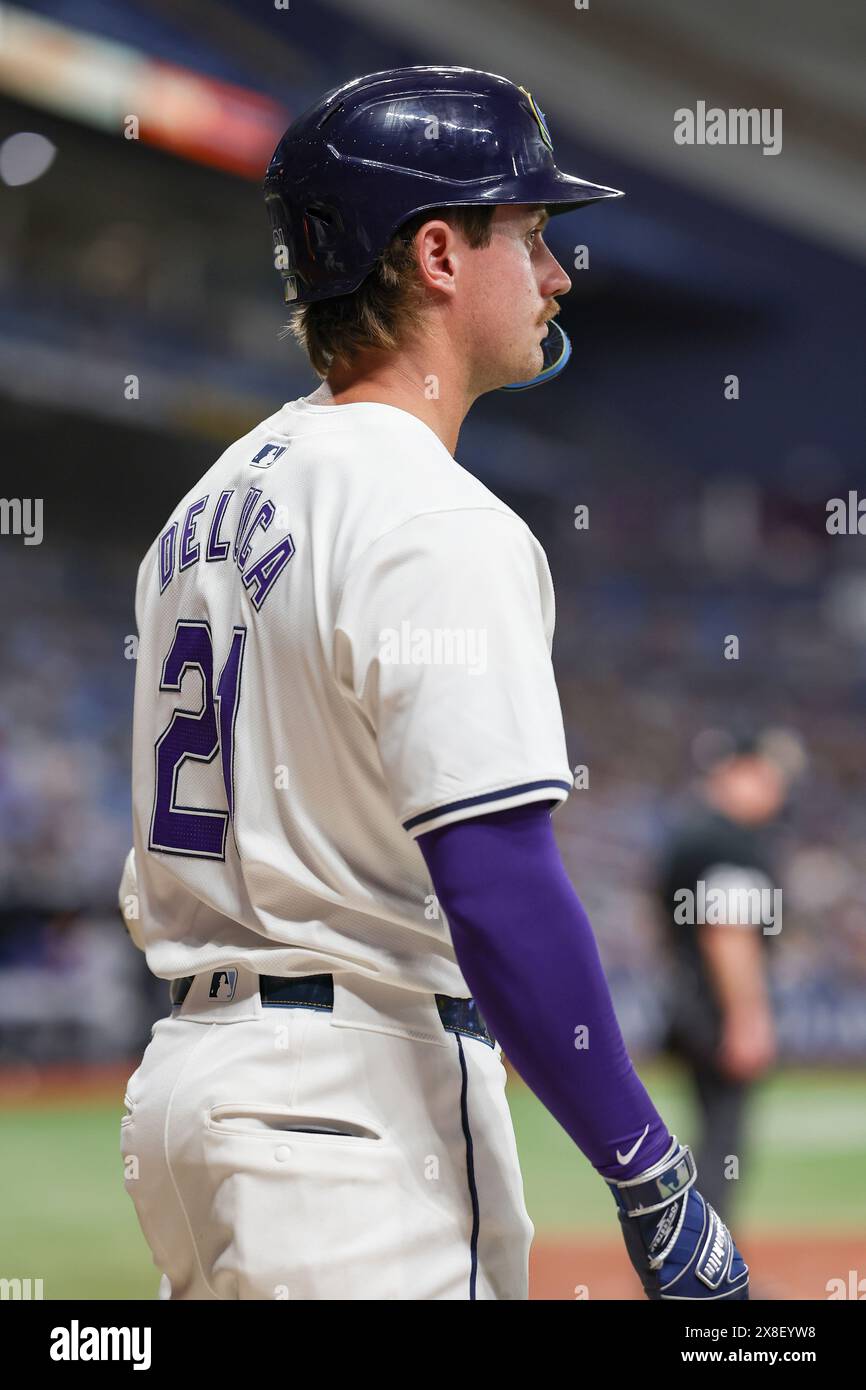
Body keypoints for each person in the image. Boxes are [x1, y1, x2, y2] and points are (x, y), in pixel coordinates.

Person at [117, 66, 748, 1300]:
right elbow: (498, 880)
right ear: (439, 254)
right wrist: (647, 1170)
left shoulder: (208, 503)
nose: (559, 276)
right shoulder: (430, 513)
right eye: (534, 233)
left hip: (192, 1092)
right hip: (353, 1113)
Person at [656, 729, 790, 1225]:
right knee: (724, 1144)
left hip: (688, 998)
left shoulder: (690, 835)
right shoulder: (729, 840)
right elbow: (728, 932)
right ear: (736, 771)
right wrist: (747, 1017)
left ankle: (699, 1263)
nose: (777, 790)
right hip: (716, 1006)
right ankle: (708, 1273)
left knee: (712, 1135)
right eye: (768, 776)